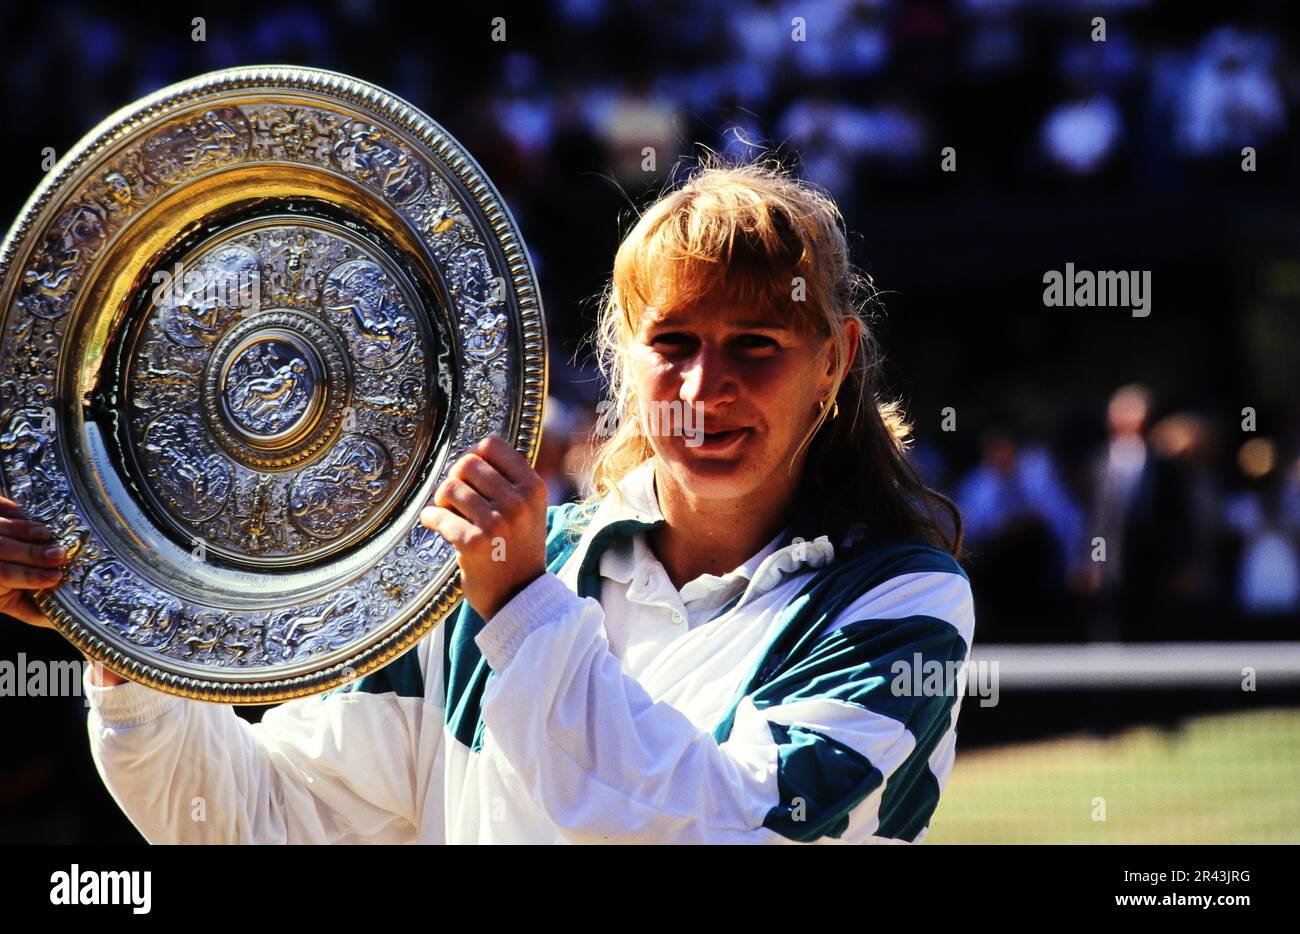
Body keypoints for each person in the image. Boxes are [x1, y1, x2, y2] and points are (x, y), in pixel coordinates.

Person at [3, 156, 974, 844]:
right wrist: (123, 627)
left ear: (832, 363)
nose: (703, 387)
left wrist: (519, 609)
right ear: (626, 363)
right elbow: (258, 820)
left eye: (756, 345)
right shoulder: (485, 585)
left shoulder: (900, 606)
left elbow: (730, 827)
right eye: (673, 343)